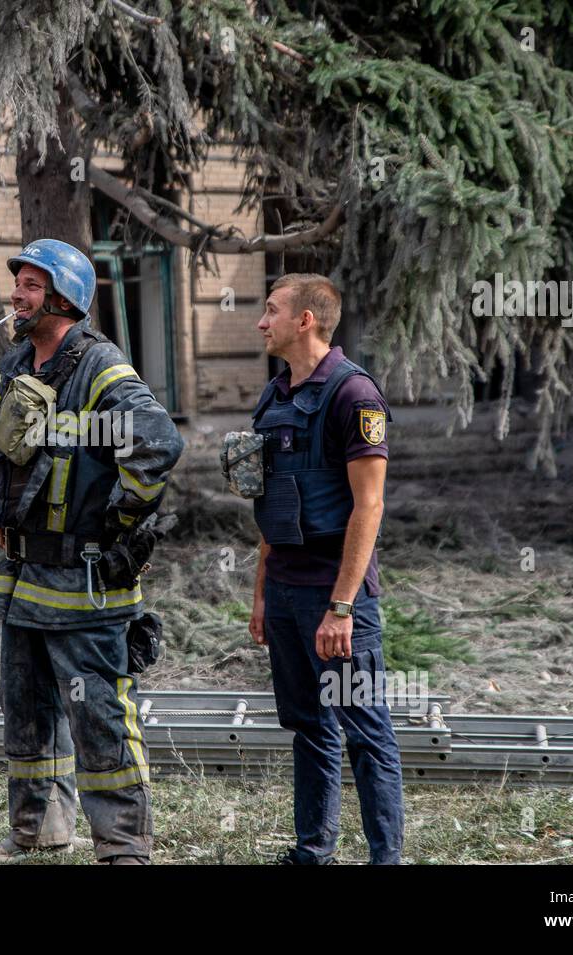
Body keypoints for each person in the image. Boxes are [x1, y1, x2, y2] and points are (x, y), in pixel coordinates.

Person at [0, 238, 184, 864]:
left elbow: (157, 444)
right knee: (28, 708)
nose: (17, 295)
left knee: (99, 718)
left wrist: (119, 519)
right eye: (20, 284)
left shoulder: (101, 368)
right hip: (23, 578)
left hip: (87, 584)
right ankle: (39, 829)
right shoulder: (18, 367)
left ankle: (123, 847)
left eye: (32, 286)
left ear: (65, 298)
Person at [246, 273, 404, 865]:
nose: (261, 322)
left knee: (364, 732)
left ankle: (385, 860)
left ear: (304, 320)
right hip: (286, 589)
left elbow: (370, 505)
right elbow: (271, 504)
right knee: (309, 726)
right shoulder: (276, 394)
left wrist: (341, 606)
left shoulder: (353, 395)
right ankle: (313, 852)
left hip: (336, 598)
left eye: (271, 311)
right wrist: (261, 594)